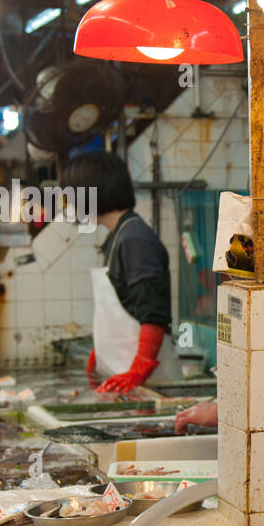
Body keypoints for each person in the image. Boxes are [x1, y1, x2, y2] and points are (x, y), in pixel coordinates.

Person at [61, 151, 183, 393]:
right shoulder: (119, 236)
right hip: (128, 380)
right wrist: (100, 356)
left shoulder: (134, 239)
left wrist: (138, 371)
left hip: (151, 384)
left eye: (72, 196)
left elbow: (153, 314)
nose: (70, 205)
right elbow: (125, 309)